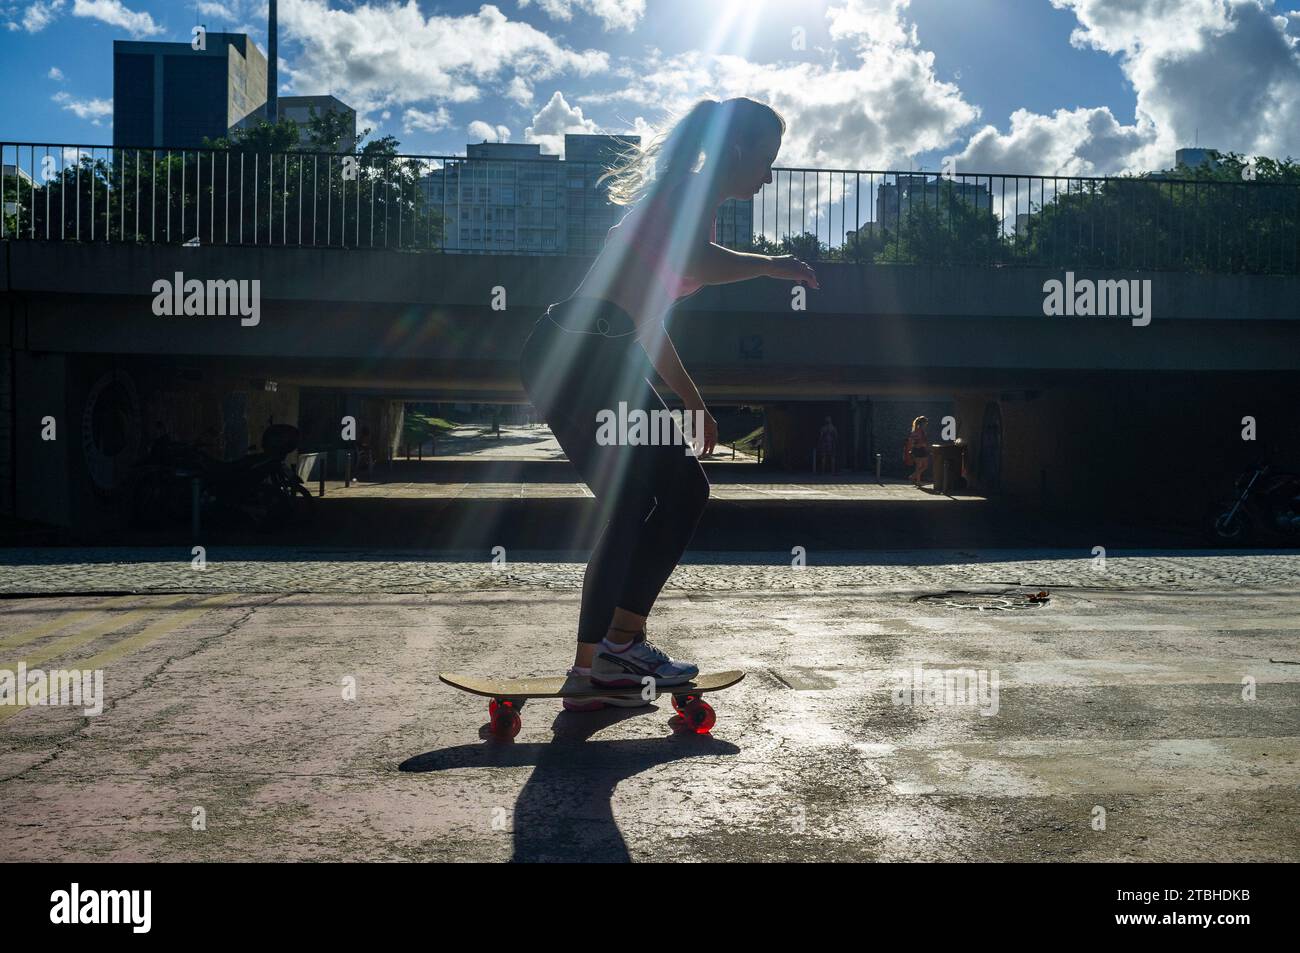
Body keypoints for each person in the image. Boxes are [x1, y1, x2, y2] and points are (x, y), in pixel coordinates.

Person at [518, 97, 818, 710]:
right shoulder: (683, 197)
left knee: (634, 499)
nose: (767, 176)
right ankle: (618, 647)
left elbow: (649, 326)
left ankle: (593, 664)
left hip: (589, 356)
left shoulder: (687, 206)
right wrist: (771, 265)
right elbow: (697, 264)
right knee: (681, 492)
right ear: (734, 151)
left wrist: (693, 402)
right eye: (765, 160)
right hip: (585, 356)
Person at [907, 416, 930, 488]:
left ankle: (915, 479)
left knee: (921, 466)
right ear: (922, 423)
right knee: (922, 466)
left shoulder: (916, 430)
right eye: (926, 422)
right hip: (920, 449)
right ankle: (916, 479)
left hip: (919, 449)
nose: (927, 424)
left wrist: (912, 448)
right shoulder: (919, 430)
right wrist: (920, 444)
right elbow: (913, 440)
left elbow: (911, 440)